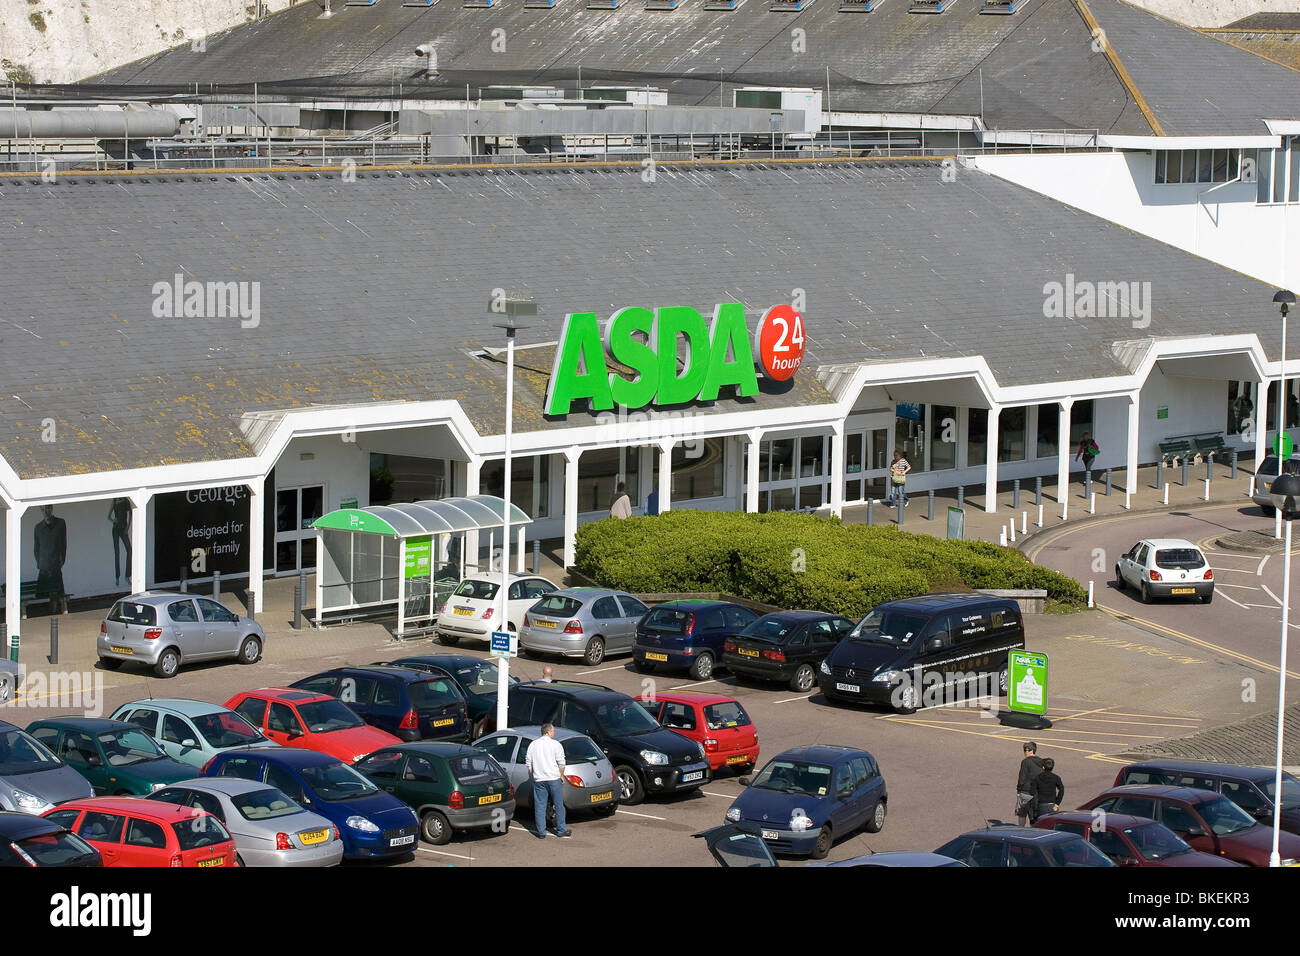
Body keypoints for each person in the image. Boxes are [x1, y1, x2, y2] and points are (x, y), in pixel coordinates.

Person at [524, 722, 571, 839]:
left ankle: (541, 832)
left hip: (539, 780)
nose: (554, 733)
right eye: (553, 731)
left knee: (540, 806)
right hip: (553, 779)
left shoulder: (533, 745)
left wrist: (534, 775)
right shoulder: (556, 744)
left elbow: (529, 764)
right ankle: (561, 830)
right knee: (559, 805)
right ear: (548, 732)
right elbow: (561, 763)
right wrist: (561, 775)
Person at [33, 505, 68, 614]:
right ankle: (48, 614)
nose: (46, 511)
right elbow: (36, 548)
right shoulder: (38, 527)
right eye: (43, 509)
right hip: (44, 566)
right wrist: (40, 563)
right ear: (41, 510)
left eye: (48, 508)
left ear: (51, 508)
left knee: (56, 593)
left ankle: (54, 612)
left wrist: (61, 561)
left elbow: (63, 544)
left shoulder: (60, 523)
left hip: (55, 565)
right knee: (42, 594)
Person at [1015, 741, 1043, 826]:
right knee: (1033, 815)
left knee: (1022, 813)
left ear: (1029, 750)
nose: (1024, 752)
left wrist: (1019, 790)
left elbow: (1022, 778)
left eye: (1025, 750)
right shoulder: (1041, 761)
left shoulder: (1025, 762)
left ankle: (1021, 830)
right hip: (1037, 792)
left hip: (1025, 791)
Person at [108, 498, 131, 587]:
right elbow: (108, 516)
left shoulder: (126, 501)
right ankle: (117, 576)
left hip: (123, 528)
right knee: (117, 552)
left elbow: (130, 516)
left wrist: (127, 528)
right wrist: (113, 520)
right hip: (115, 529)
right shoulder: (114, 501)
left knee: (129, 550)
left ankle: (127, 576)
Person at [1033, 757, 1064, 822]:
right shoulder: (1056, 778)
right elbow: (1061, 789)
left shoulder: (1037, 777)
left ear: (1043, 767)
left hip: (1041, 806)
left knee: (1041, 825)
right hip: (1052, 806)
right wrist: (1057, 803)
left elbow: (1032, 792)